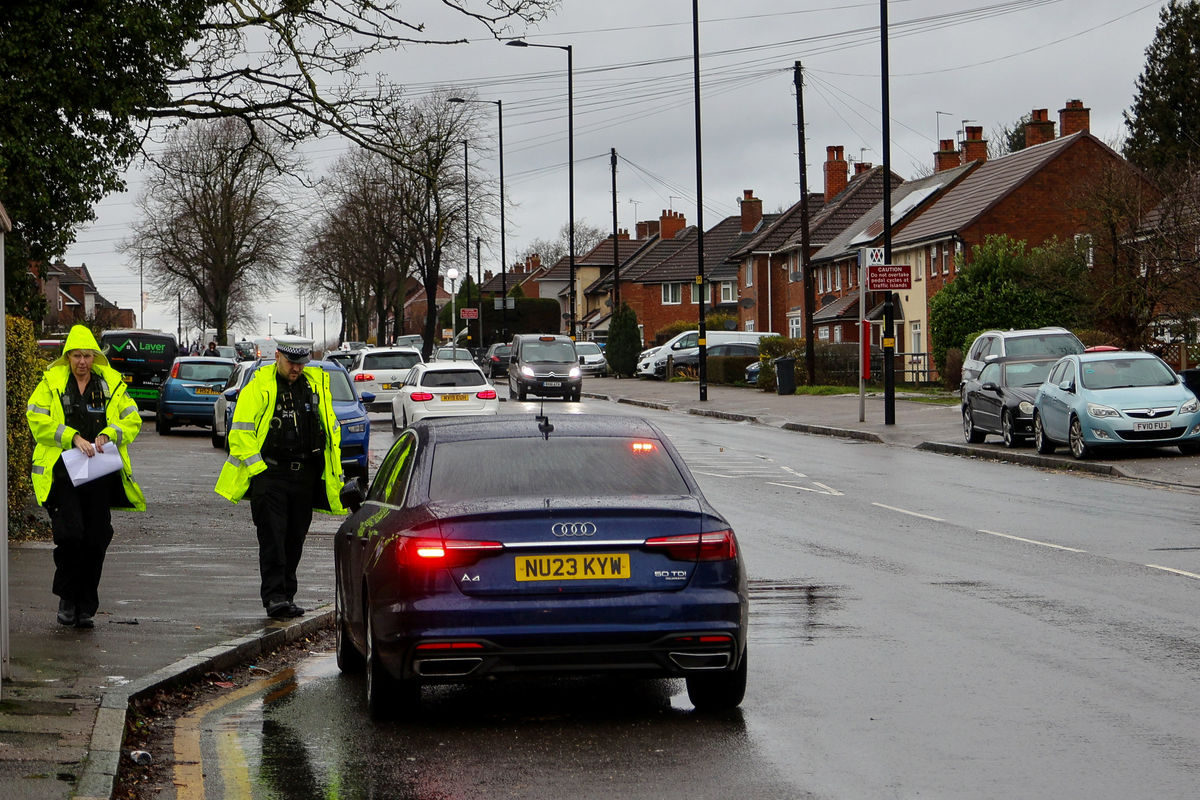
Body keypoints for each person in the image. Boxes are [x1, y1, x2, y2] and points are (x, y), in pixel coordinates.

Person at [215, 336, 345, 619]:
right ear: (277, 356)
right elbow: (240, 433)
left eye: (301, 362)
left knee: (295, 539)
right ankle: (275, 598)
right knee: (273, 538)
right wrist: (259, 470)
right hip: (271, 473)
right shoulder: (259, 386)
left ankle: (287, 595)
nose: (296, 368)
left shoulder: (315, 385)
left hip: (305, 476)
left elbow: (328, 427)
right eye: (291, 362)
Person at [26, 325, 145, 628]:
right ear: (67, 358)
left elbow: (131, 419)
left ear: (95, 357)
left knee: (96, 538)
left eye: (88, 356)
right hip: (63, 472)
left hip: (98, 473)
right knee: (70, 535)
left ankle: (85, 606)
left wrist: (108, 434)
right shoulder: (51, 383)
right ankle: (68, 598)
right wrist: (72, 437)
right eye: (77, 356)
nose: (82, 362)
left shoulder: (111, 384)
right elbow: (37, 418)